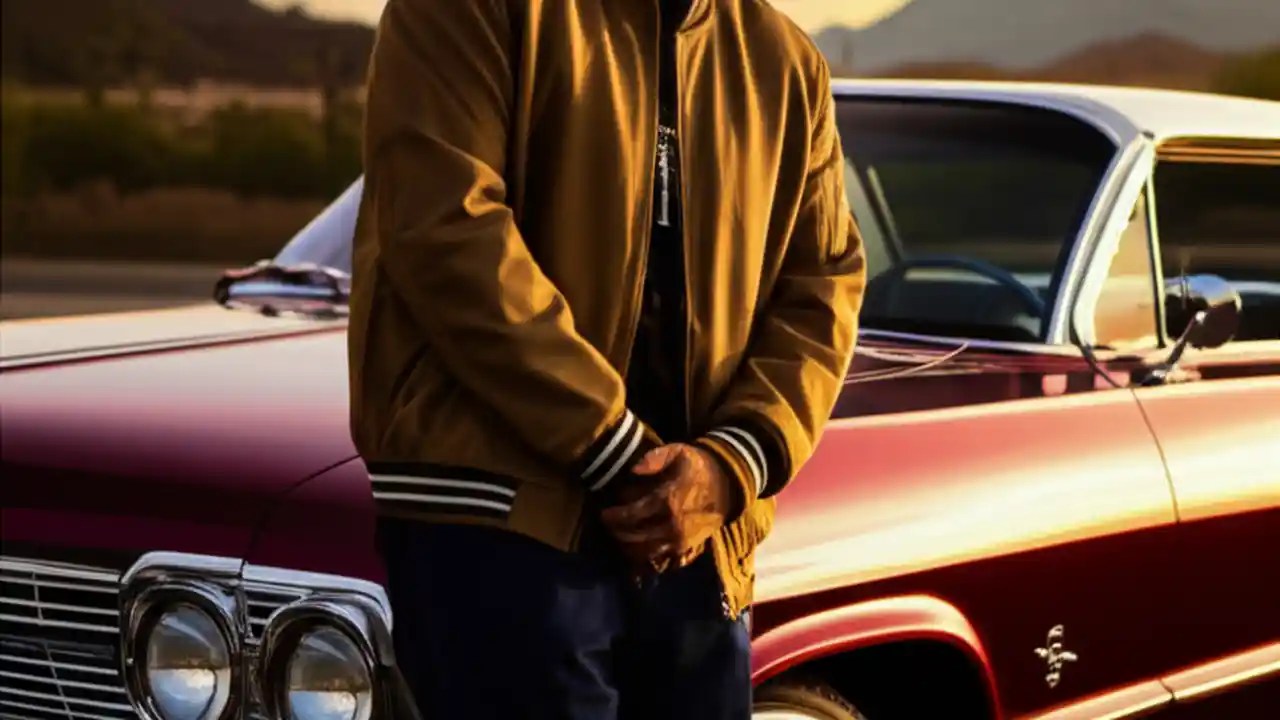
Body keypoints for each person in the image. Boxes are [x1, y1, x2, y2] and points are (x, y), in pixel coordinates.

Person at [347, 0, 865, 717]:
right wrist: (618, 453)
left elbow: (823, 287)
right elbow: (445, 229)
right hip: (501, 520)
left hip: (698, 536)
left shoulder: (785, 63)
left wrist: (728, 467)